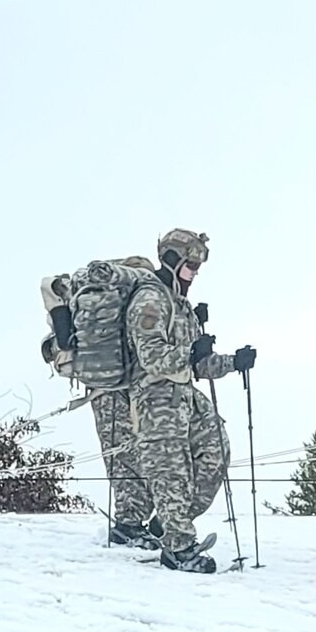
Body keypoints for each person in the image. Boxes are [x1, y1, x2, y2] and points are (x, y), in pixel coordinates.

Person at [123, 228, 258, 573]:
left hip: (186, 396)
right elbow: (151, 357)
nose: (195, 273)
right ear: (173, 259)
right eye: (192, 265)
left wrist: (233, 362)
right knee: (171, 472)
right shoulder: (150, 299)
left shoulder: (180, 304)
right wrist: (190, 354)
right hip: (156, 398)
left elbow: (199, 365)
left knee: (216, 454)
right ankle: (178, 548)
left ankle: (168, 522)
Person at [41, 256, 163, 548]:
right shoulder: (135, 299)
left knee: (125, 453)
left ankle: (136, 522)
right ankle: (129, 526)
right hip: (126, 384)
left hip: (105, 386)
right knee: (129, 454)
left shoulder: (96, 304)